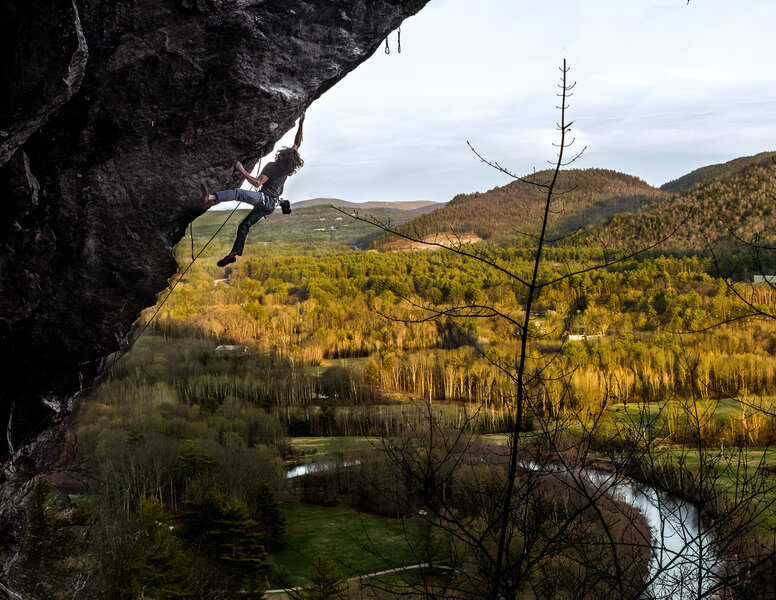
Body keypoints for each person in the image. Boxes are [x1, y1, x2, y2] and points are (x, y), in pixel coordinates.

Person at [202, 115, 305, 267]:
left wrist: (242, 170)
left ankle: (210, 197)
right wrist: (301, 124)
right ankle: (233, 254)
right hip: (271, 205)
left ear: (281, 155)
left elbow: (257, 183)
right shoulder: (287, 168)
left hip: (264, 199)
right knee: (244, 226)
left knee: (238, 192)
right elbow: (297, 143)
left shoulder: (272, 166)